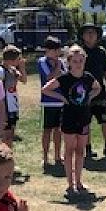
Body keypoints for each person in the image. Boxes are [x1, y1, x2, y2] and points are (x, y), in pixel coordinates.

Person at [41, 44, 101, 196]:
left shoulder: (88, 77)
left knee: (80, 151)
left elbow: (98, 88)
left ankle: (79, 181)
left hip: (84, 117)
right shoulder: (64, 78)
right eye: (75, 61)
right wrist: (61, 97)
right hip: (68, 117)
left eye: (81, 60)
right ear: (69, 62)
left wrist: (89, 97)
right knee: (69, 150)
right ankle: (70, 183)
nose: (78, 64)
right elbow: (46, 89)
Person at [80, 23, 106, 158]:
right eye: (88, 32)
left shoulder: (102, 52)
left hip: (100, 92)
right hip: (84, 92)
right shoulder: (80, 52)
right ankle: (87, 148)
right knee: (86, 121)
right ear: (83, 36)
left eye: (93, 33)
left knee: (105, 120)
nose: (90, 35)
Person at [37, 36, 66, 167]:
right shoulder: (42, 62)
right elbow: (49, 77)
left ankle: (57, 156)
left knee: (58, 130)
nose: (56, 53)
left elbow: (65, 77)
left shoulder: (62, 62)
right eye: (53, 50)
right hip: (48, 102)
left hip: (60, 101)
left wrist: (60, 66)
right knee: (47, 130)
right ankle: (45, 156)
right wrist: (57, 67)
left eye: (57, 50)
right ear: (47, 51)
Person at [0, 45, 26, 149]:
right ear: (11, 59)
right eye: (18, 59)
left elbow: (24, 80)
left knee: (11, 134)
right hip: (5, 106)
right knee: (5, 134)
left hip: (13, 104)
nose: (20, 61)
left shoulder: (12, 70)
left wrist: (22, 68)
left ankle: (9, 156)